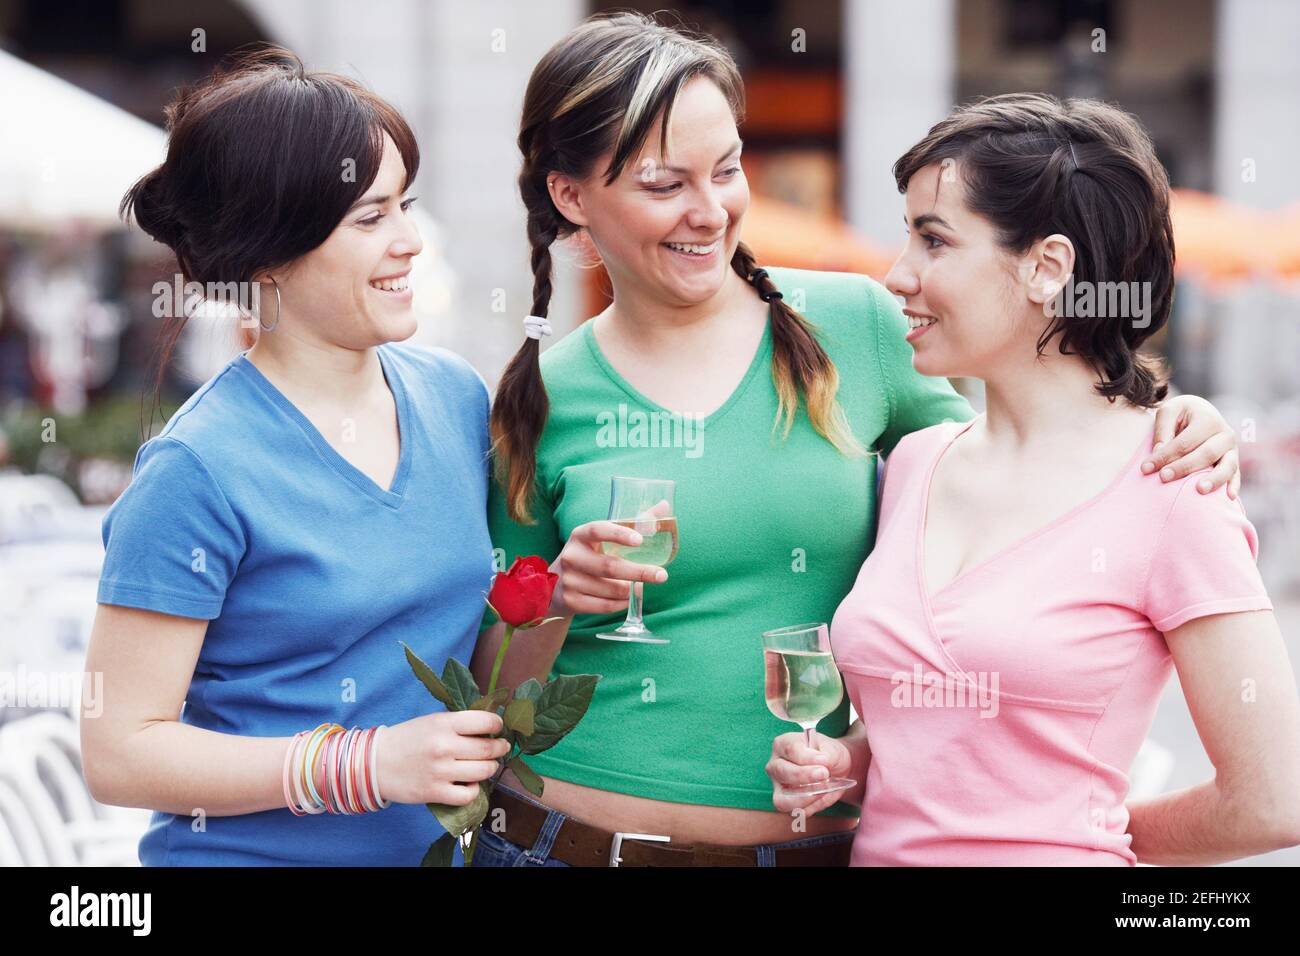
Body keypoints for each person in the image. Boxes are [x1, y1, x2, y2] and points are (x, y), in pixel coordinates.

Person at [472, 13, 1241, 867]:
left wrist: (1160, 423)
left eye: (727, 169)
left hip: (814, 850)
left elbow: (1020, 483)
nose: (709, 208)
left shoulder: (862, 327)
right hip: (561, 844)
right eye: (664, 184)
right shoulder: (536, 397)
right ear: (570, 195)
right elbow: (499, 693)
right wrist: (556, 599)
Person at [767, 92, 1300, 866]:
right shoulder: (917, 462)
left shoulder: (1173, 483)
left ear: (1048, 267)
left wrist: (1079, 837)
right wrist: (846, 765)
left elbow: (1273, 799)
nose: (897, 275)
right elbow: (948, 745)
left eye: (934, 242)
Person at [80, 46, 510, 866]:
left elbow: (463, 646)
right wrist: (366, 765)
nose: (411, 241)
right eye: (371, 218)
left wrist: (566, 589)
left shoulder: (454, 399)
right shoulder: (197, 468)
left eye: (405, 206)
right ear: (270, 251)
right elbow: (119, 752)